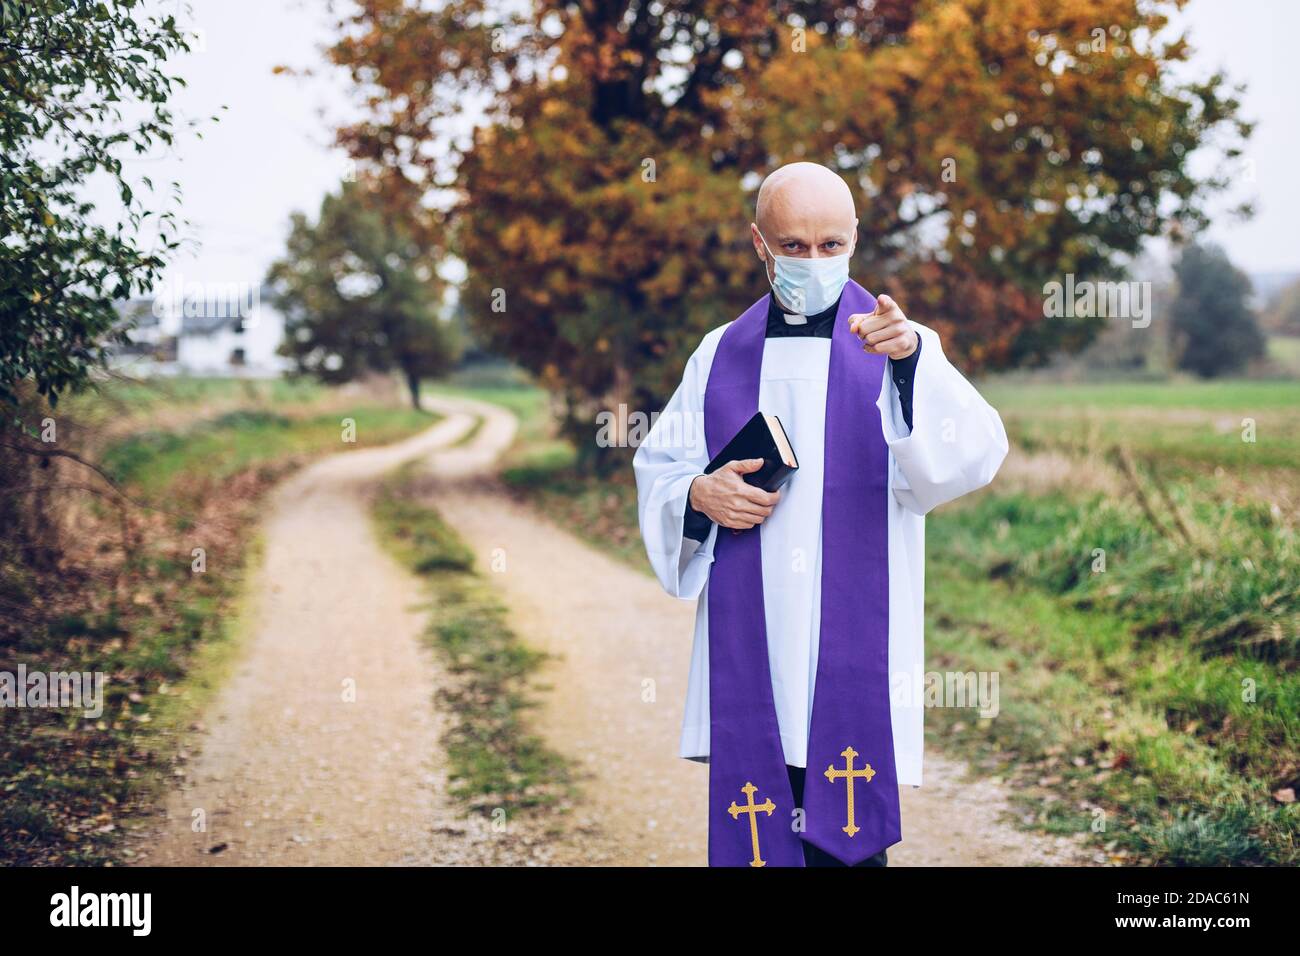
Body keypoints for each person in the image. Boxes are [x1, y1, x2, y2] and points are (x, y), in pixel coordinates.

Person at [633, 161, 1009, 867]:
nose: (814, 262)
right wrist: (697, 494)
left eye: (831, 246)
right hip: (757, 646)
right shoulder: (720, 355)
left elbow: (977, 452)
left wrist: (911, 366)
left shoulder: (897, 343)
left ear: (856, 239)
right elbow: (663, 469)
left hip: (855, 656)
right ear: (759, 243)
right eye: (794, 246)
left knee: (847, 850)